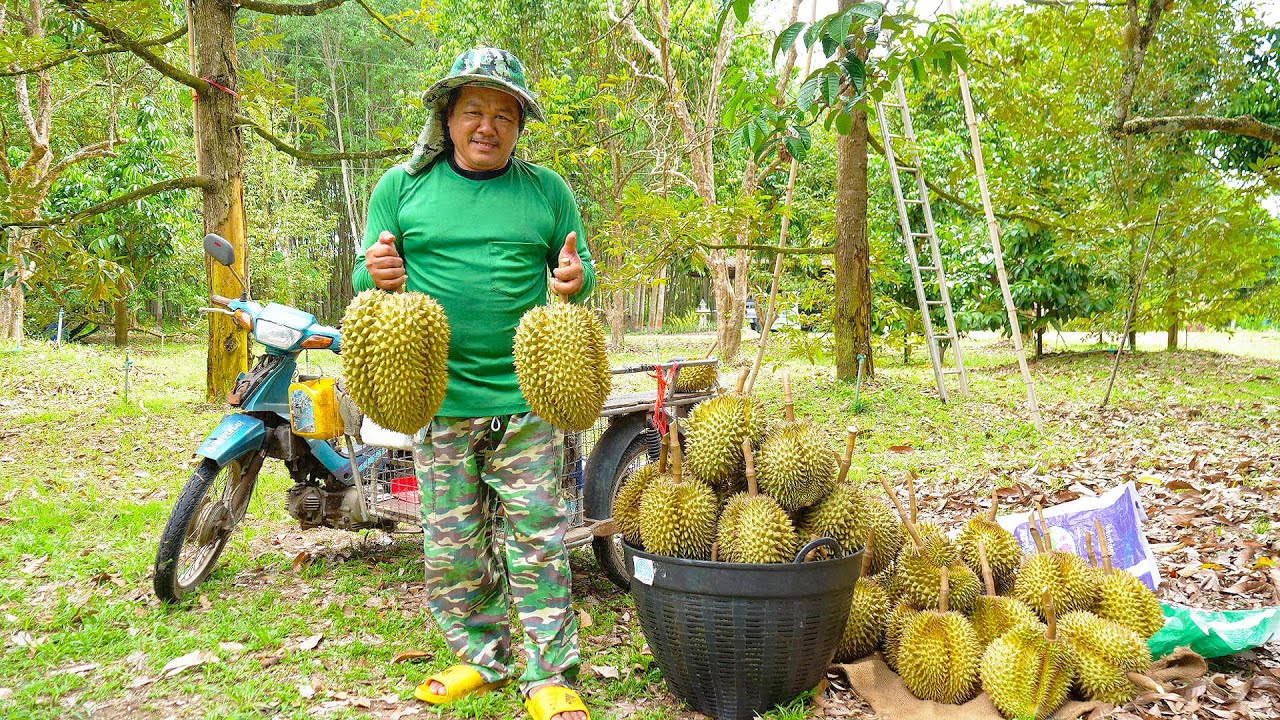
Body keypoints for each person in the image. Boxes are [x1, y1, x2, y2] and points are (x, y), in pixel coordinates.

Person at [351, 48, 594, 720]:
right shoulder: (401, 189)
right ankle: (480, 659)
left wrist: (574, 278)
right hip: (441, 400)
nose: (488, 126)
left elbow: (579, 269)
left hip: (525, 404)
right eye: (474, 112)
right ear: (448, 118)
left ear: (519, 127)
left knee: (539, 539)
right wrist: (376, 269)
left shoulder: (547, 191)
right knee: (453, 547)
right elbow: (364, 279)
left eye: (504, 115)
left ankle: (548, 672)